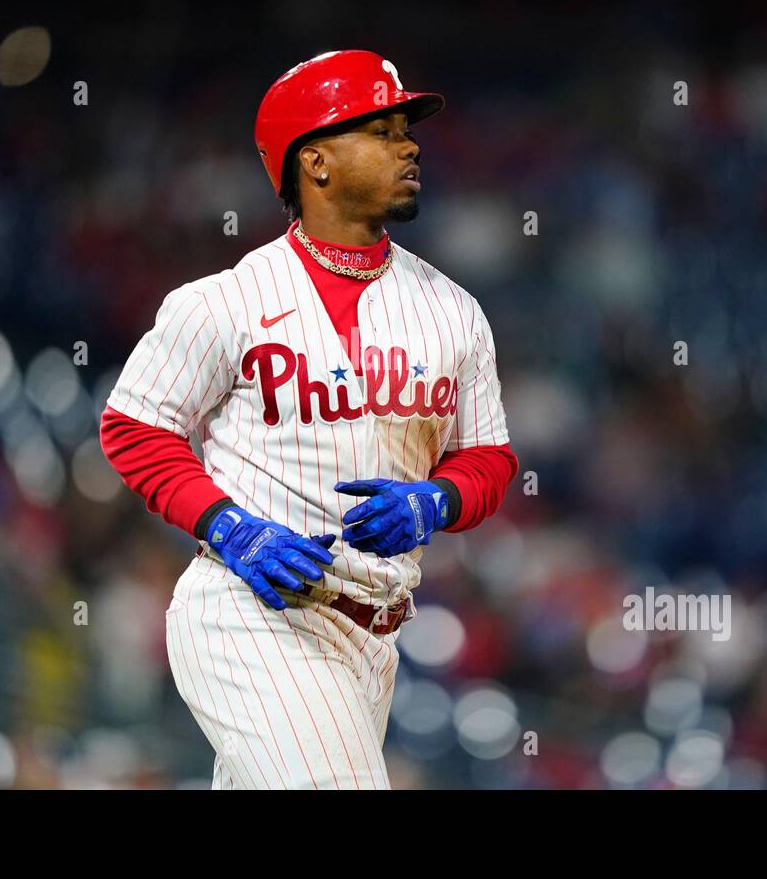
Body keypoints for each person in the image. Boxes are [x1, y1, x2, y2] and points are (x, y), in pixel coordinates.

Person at [101, 50, 518, 789]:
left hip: (377, 636)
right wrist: (230, 527)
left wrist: (437, 500)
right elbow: (136, 428)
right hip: (252, 613)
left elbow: (488, 459)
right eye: (383, 130)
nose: (410, 145)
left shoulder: (453, 311)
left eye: (405, 130)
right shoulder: (222, 302)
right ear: (316, 161)